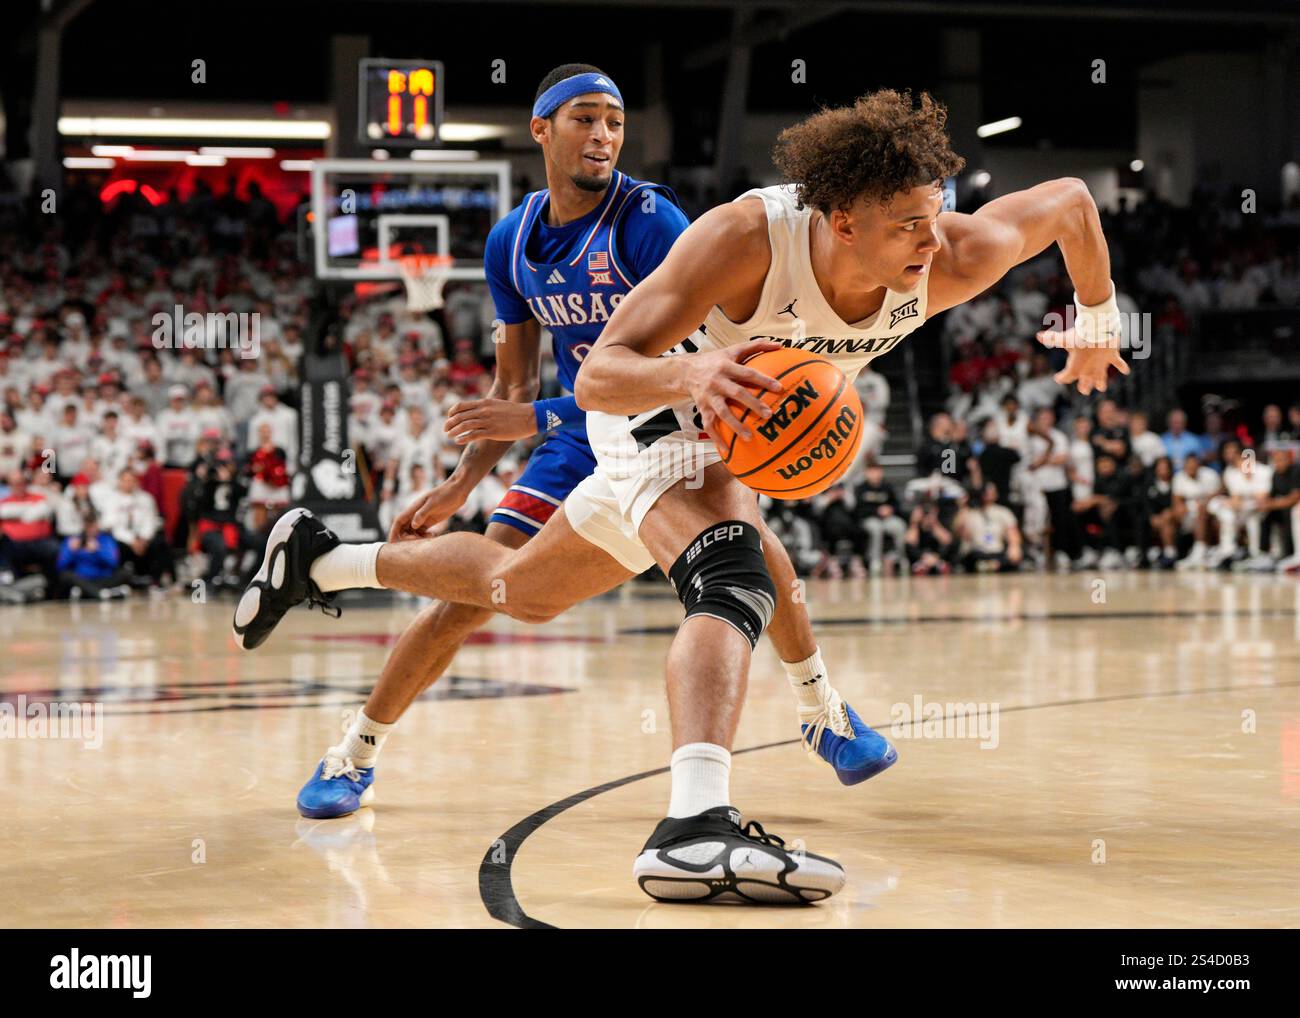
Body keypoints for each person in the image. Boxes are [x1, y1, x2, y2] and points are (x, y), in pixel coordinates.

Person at [236, 89, 1125, 904]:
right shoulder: (743, 240)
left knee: (523, 590)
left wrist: (1095, 322)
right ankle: (695, 824)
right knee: (736, 574)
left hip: (732, 432)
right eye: (910, 227)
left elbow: (1074, 205)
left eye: (935, 219)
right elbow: (599, 378)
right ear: (842, 222)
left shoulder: (951, 255)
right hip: (657, 406)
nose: (934, 244)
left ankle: (324, 557)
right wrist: (695, 370)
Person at [268, 65, 892, 833]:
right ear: (541, 129)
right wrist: (464, 481)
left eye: (614, 122)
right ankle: (354, 751)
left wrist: (535, 416)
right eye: (584, 119)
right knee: (478, 598)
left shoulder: (651, 220)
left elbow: (688, 358)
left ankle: (822, 711)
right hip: (574, 437)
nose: (602, 136)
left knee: (752, 553)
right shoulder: (511, 239)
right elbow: (511, 387)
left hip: (668, 417)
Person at [956, 481, 1022, 572]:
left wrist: (1014, 546)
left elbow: (1012, 533)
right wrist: (963, 506)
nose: (988, 492)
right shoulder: (970, 513)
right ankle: (985, 565)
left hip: (997, 553)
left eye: (991, 490)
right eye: (985, 490)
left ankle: (992, 565)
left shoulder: (1003, 512)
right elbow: (961, 533)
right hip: (976, 553)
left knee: (1010, 559)